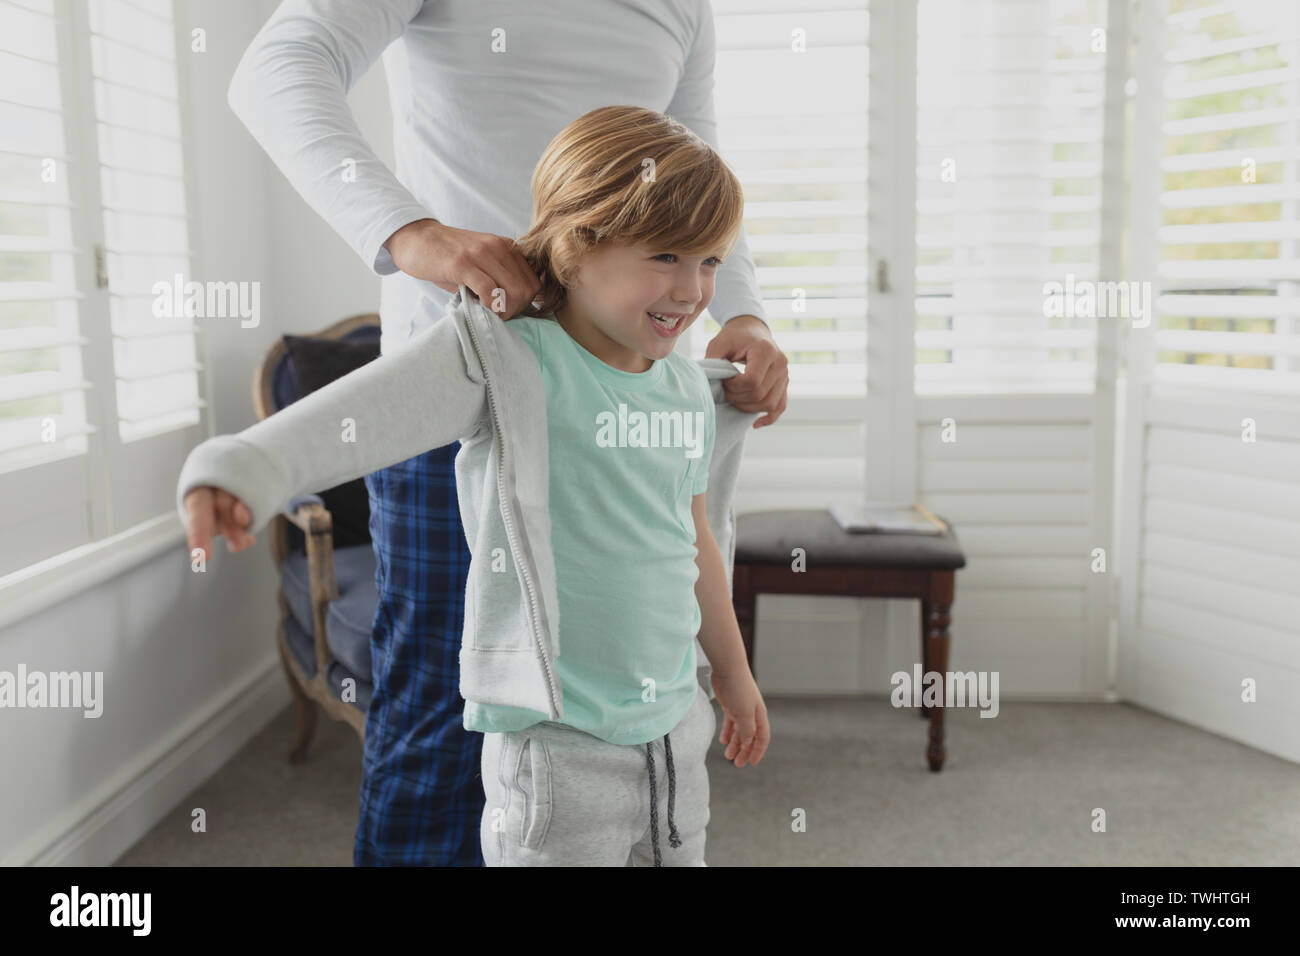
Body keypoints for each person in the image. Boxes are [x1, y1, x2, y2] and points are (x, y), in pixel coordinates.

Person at [224, 0, 789, 866]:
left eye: (702, 265)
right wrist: (408, 233)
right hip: (468, 385)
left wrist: (741, 309)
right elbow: (275, 69)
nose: (695, 278)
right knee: (438, 732)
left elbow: (695, 159)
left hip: (628, 380)